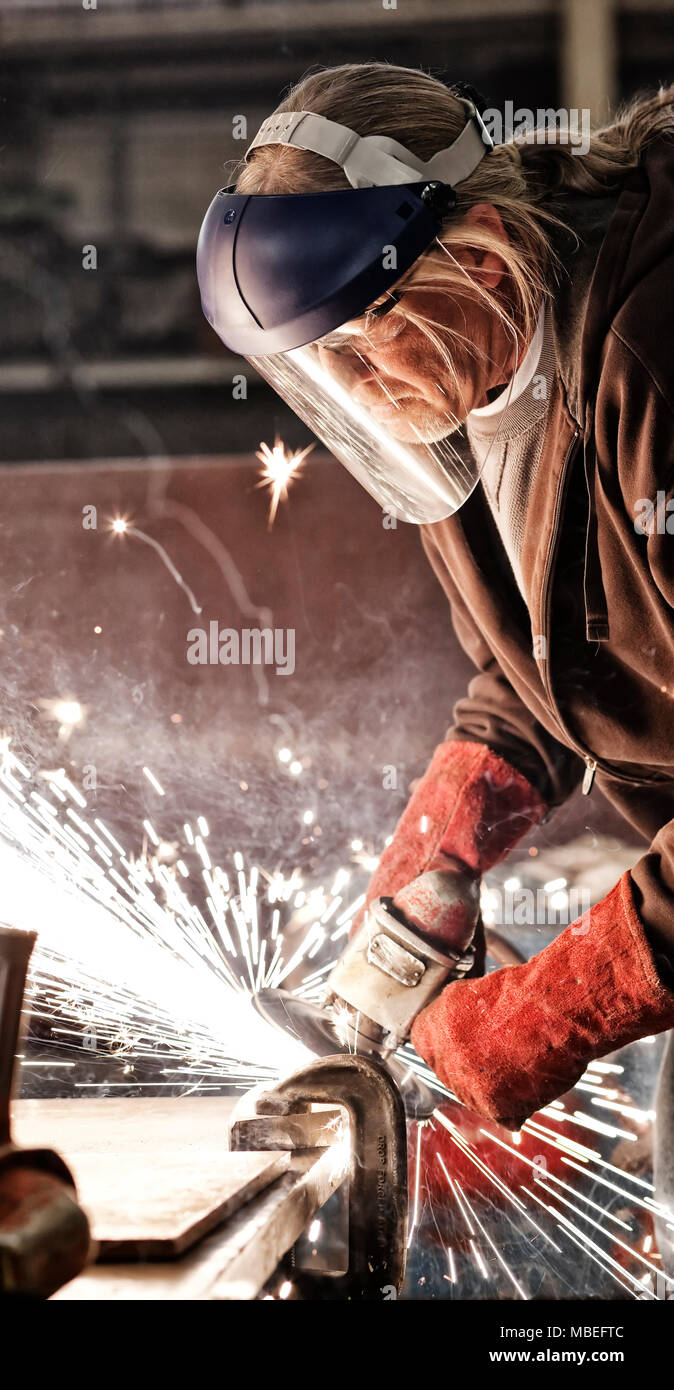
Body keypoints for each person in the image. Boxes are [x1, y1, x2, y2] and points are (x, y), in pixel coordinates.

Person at [196, 62, 674, 1263]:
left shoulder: (649, 356)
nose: (359, 400)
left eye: (361, 347)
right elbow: (535, 672)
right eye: (322, 378)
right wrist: (445, 844)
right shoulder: (460, 377)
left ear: (486, 250)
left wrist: (555, 1005)